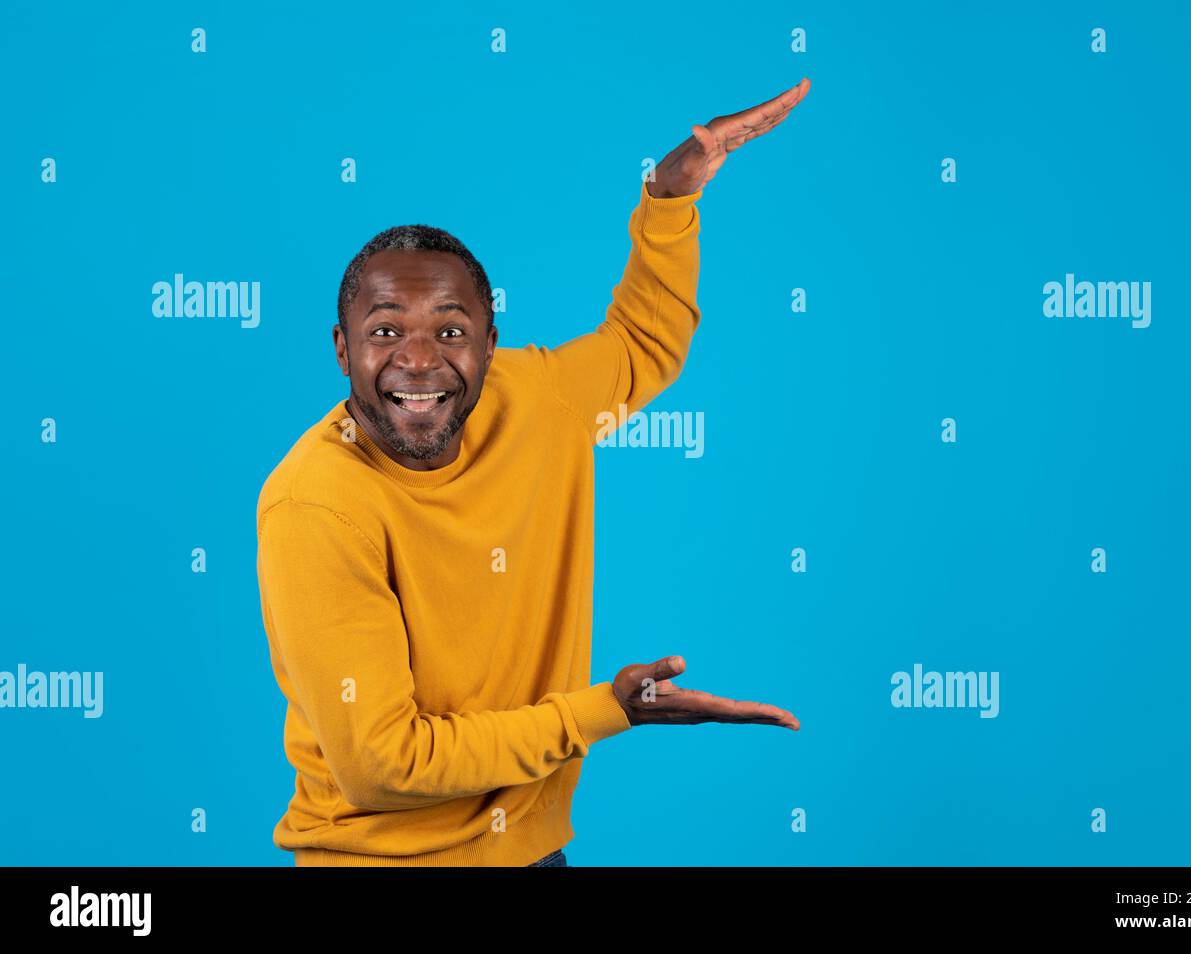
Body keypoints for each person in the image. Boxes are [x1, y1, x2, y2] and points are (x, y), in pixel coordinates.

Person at [255, 78, 811, 867]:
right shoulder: (317, 505)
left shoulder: (536, 398)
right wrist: (601, 712)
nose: (418, 359)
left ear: (489, 342)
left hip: (531, 853)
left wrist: (667, 199)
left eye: (450, 329)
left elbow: (643, 344)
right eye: (385, 331)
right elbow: (383, 765)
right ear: (342, 350)